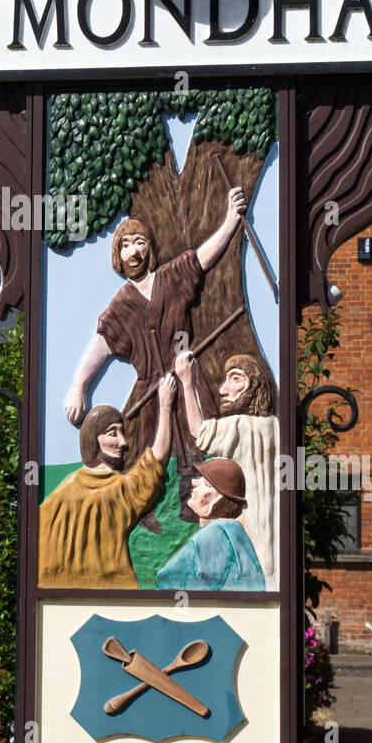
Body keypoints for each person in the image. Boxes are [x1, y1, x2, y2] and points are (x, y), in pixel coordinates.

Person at [63, 192, 245, 526]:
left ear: (150, 249)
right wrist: (78, 386)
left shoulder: (172, 278)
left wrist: (232, 218)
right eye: (125, 245)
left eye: (139, 243)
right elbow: (99, 346)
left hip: (186, 374)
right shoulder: (121, 304)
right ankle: (142, 510)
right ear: (118, 255)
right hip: (150, 385)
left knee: (196, 443)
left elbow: (202, 257)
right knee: (141, 447)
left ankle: (196, 505)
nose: (133, 251)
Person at [39, 374, 177, 589]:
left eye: (122, 433)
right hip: (115, 594)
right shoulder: (118, 490)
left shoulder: (59, 493)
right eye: (113, 433)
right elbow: (157, 460)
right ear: (93, 439)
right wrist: (166, 406)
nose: (123, 442)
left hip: (58, 600)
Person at [174, 349, 280, 588]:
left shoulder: (240, 426)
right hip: (273, 547)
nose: (223, 389)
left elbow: (199, 432)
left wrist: (187, 382)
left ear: (254, 385)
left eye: (235, 378)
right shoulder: (276, 426)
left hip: (246, 539)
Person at [155, 457, 265, 592]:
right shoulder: (234, 530)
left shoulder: (216, 532)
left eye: (206, 484)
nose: (194, 483)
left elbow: (167, 580)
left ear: (217, 499)